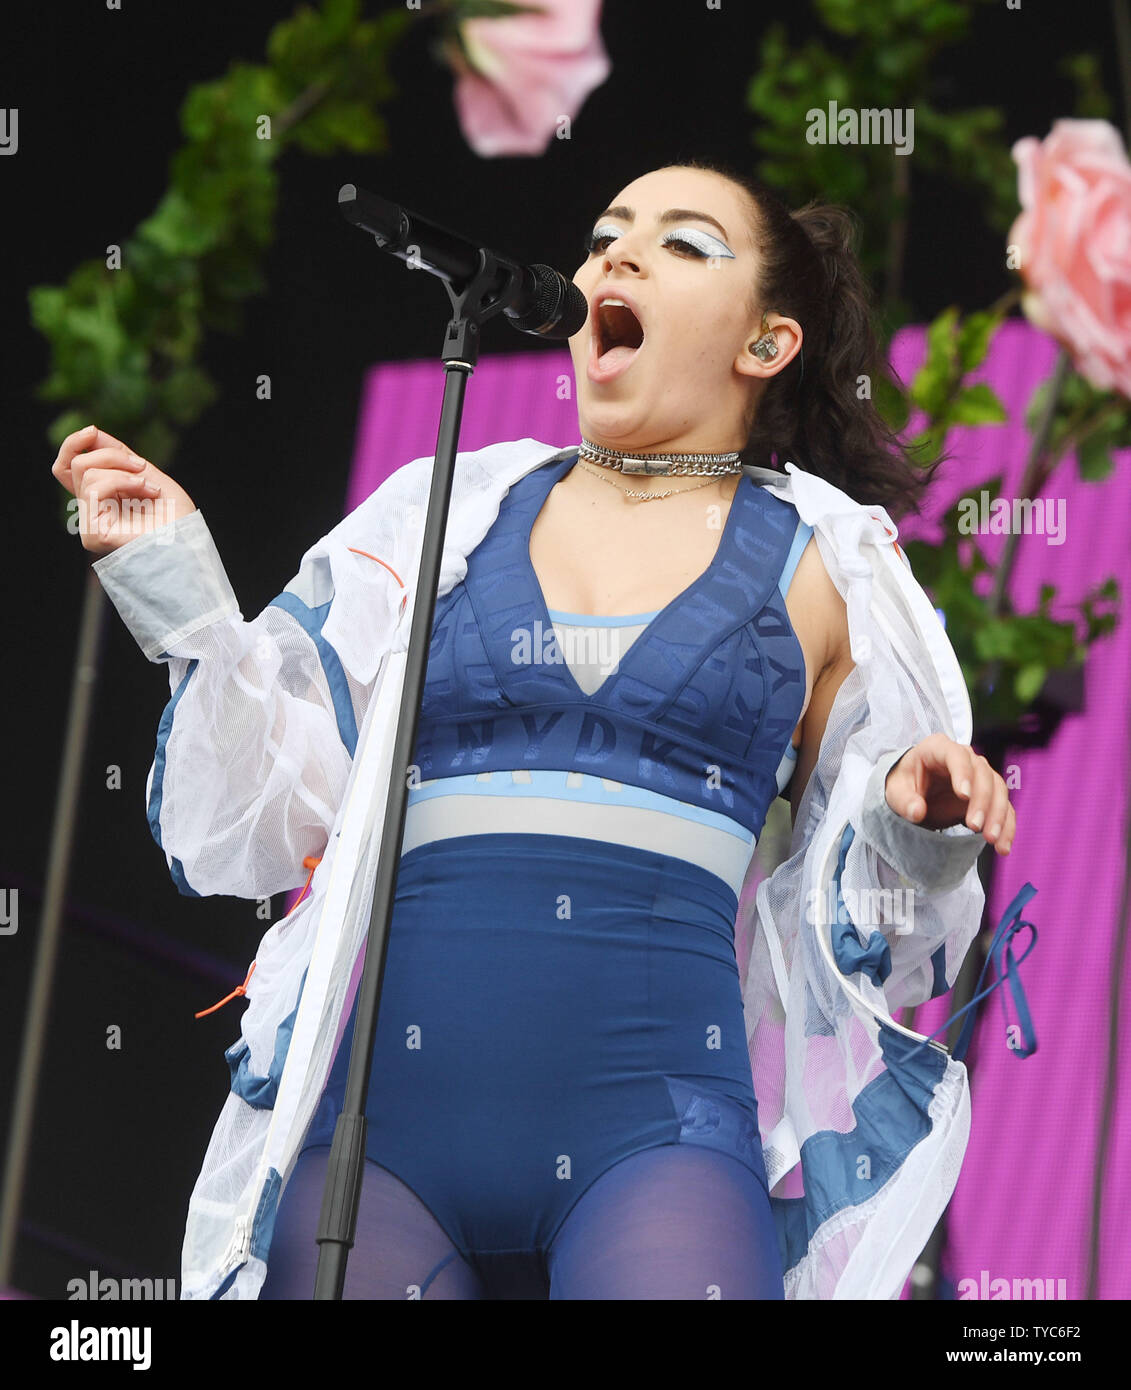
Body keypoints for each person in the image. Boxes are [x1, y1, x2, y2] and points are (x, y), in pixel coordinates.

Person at [53, 161, 1016, 1300]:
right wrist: (184, 597)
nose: (618, 254)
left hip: (657, 1146)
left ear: (766, 344)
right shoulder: (446, 511)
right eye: (608, 232)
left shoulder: (826, 559)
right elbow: (255, 818)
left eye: (683, 243)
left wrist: (923, 822)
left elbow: (894, 916)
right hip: (385, 1143)